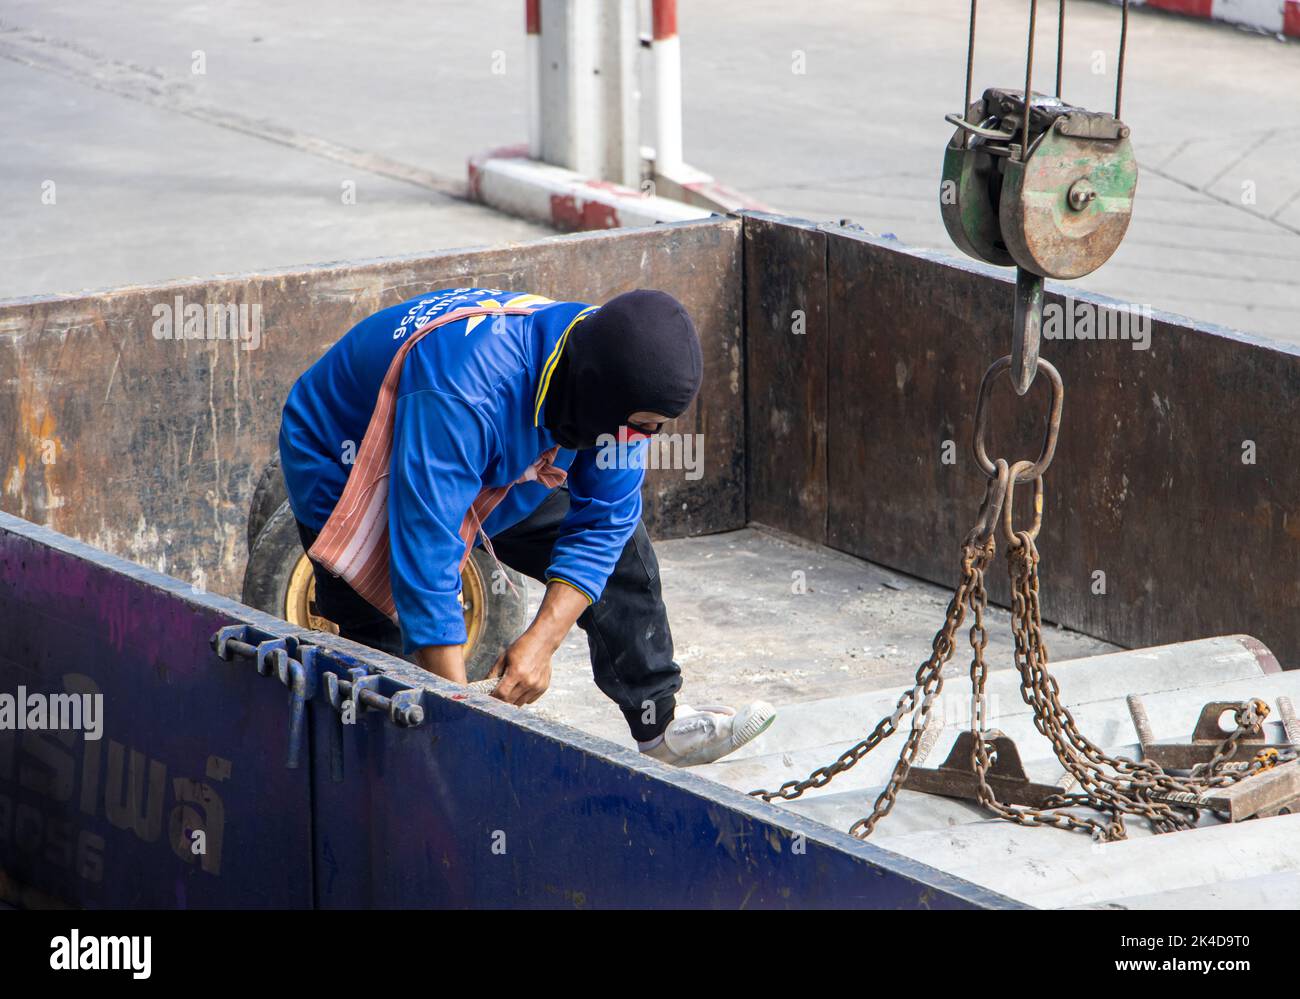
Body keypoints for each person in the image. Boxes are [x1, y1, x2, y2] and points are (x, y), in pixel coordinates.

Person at [278, 287, 774, 766]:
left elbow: (604, 521)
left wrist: (540, 643)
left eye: (655, 426)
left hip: (492, 447)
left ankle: (660, 725)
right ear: (602, 396)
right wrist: (460, 716)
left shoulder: (610, 373)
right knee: (386, 661)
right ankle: (398, 770)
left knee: (622, 549)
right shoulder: (468, 387)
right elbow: (427, 556)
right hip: (349, 454)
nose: (646, 438)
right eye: (642, 425)